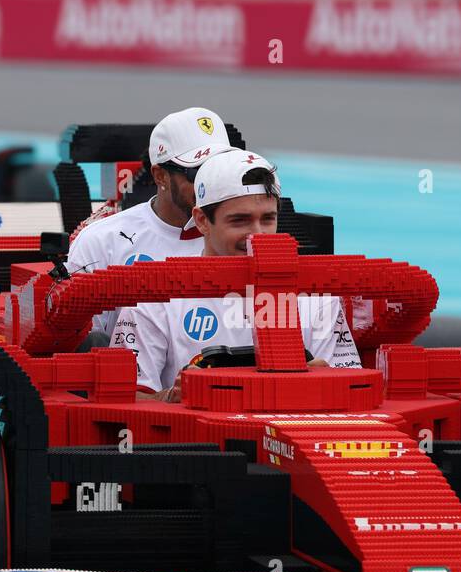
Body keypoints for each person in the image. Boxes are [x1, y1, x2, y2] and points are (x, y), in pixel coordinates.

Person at [111, 150, 361, 402]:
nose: (256, 234)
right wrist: (172, 397)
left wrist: (329, 382)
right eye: (240, 221)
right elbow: (123, 400)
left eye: (267, 219)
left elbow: (355, 393)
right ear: (202, 221)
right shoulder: (153, 300)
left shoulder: (317, 299)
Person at [65, 107, 235, 338]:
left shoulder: (247, 239)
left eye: (219, 168)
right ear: (160, 176)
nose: (210, 182)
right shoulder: (101, 241)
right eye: (197, 172)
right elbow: (85, 343)